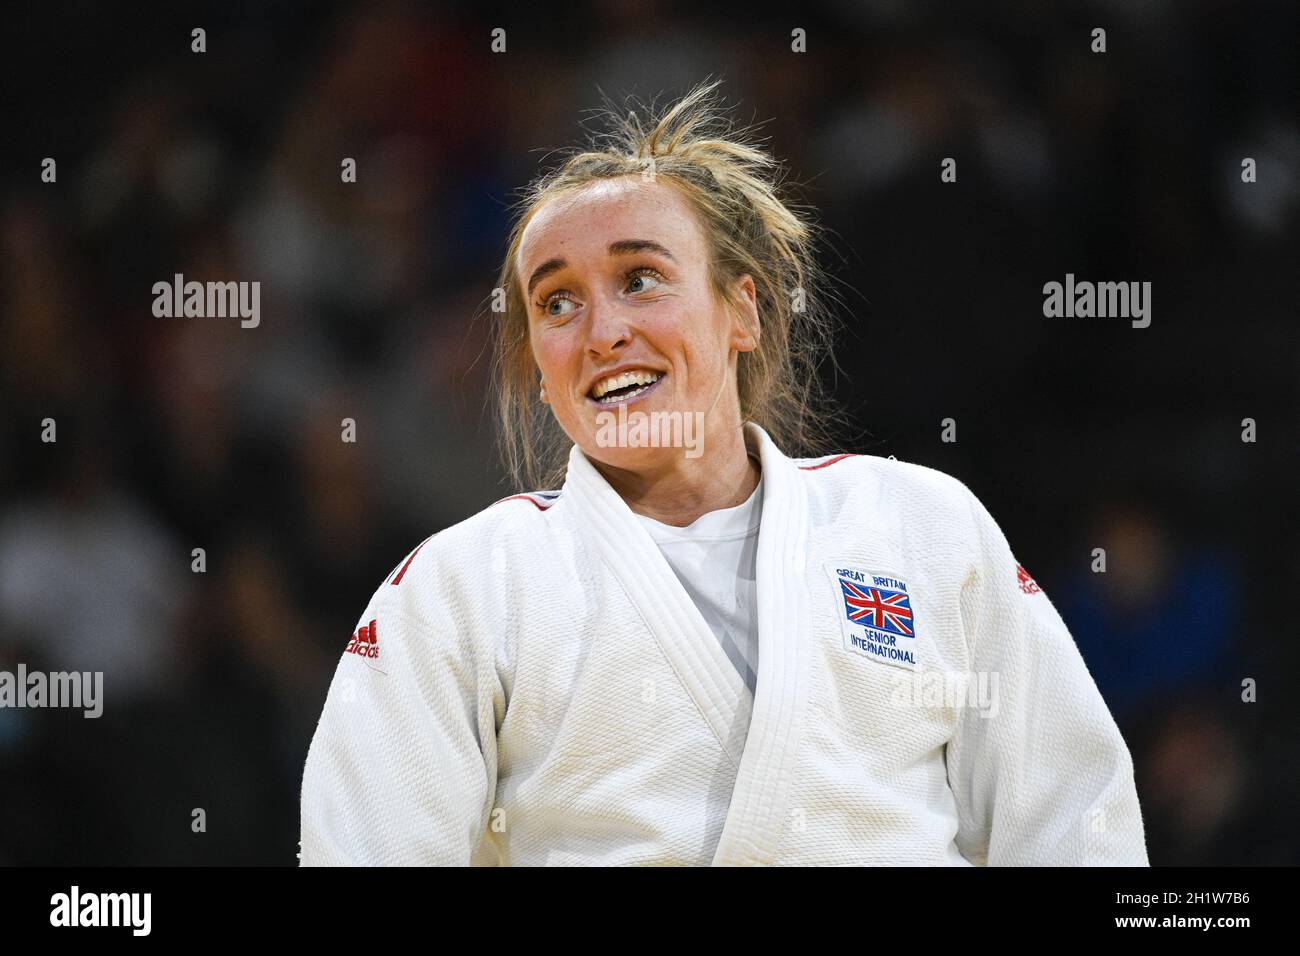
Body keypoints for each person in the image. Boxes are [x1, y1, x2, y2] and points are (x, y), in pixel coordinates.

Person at [299, 80, 1148, 866]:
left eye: (641, 279)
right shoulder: (465, 585)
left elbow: (1076, 822)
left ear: (741, 309)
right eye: (556, 302)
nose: (600, 333)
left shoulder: (918, 525)